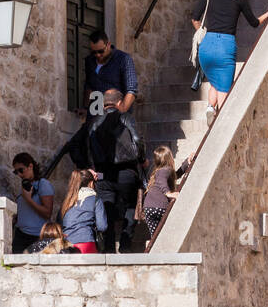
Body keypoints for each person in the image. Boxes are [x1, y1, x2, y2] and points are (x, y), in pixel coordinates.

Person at [191, 0, 268, 126]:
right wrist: (267, 14)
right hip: (225, 48)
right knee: (224, 92)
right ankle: (220, 126)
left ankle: (209, 108)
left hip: (207, 46)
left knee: (215, 80)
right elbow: (254, 23)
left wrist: (203, 32)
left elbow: (194, 18)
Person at [85, 88, 146, 253]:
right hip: (127, 171)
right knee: (132, 204)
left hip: (104, 174)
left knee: (107, 209)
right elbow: (138, 140)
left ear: (104, 104)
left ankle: (109, 247)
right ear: (119, 103)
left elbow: (89, 149)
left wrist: (94, 169)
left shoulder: (95, 123)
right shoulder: (125, 117)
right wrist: (142, 159)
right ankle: (126, 240)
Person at [82, 28, 138, 118]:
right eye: (94, 52)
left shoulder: (123, 59)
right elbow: (88, 86)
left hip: (114, 114)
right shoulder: (89, 61)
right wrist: (85, 108)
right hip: (95, 112)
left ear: (108, 45)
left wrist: (122, 109)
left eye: (101, 51)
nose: (97, 55)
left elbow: (131, 89)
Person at [11, 153, 55, 252]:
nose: (19, 174)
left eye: (21, 170)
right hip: (20, 235)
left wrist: (29, 200)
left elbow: (47, 213)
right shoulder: (24, 186)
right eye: (16, 172)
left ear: (30, 166)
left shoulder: (43, 185)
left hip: (37, 236)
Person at [58, 168, 108, 253]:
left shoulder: (67, 201)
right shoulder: (95, 199)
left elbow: (59, 223)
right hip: (86, 242)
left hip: (66, 244)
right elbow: (102, 226)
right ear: (91, 183)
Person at [140, 146, 179, 243]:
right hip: (160, 206)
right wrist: (168, 193)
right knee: (169, 233)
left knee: (155, 237)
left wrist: (187, 163)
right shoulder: (165, 170)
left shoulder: (158, 171)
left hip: (149, 208)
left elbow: (176, 175)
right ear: (169, 158)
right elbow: (162, 180)